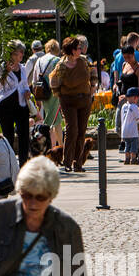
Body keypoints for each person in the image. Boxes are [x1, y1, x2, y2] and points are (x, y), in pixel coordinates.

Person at [48, 36, 93, 173]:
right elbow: (53, 82)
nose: (81, 50)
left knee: (81, 131)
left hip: (84, 100)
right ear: (72, 50)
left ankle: (78, 163)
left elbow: (92, 73)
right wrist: (60, 92)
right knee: (72, 130)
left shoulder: (84, 61)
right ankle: (67, 162)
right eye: (78, 48)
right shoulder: (61, 65)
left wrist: (93, 89)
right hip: (68, 101)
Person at [0, 40, 30, 164]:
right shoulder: (2, 66)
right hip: (5, 106)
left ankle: (23, 162)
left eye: (22, 52)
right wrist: (6, 71)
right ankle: (9, 163)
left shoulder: (23, 68)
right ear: (12, 53)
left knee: (24, 135)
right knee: (8, 135)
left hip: (21, 105)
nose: (22, 54)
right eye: (20, 51)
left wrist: (28, 92)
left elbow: (25, 85)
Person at [31, 38, 63, 147]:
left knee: (56, 120)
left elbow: (34, 80)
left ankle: (59, 147)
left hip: (43, 92)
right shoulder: (57, 60)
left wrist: (37, 98)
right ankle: (46, 145)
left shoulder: (39, 60)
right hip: (54, 92)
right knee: (50, 120)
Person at [119, 87, 139, 164]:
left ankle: (127, 159)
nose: (137, 100)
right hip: (132, 131)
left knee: (127, 146)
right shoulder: (134, 106)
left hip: (124, 131)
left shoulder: (124, 106)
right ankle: (133, 159)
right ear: (134, 97)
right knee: (133, 146)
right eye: (137, 98)